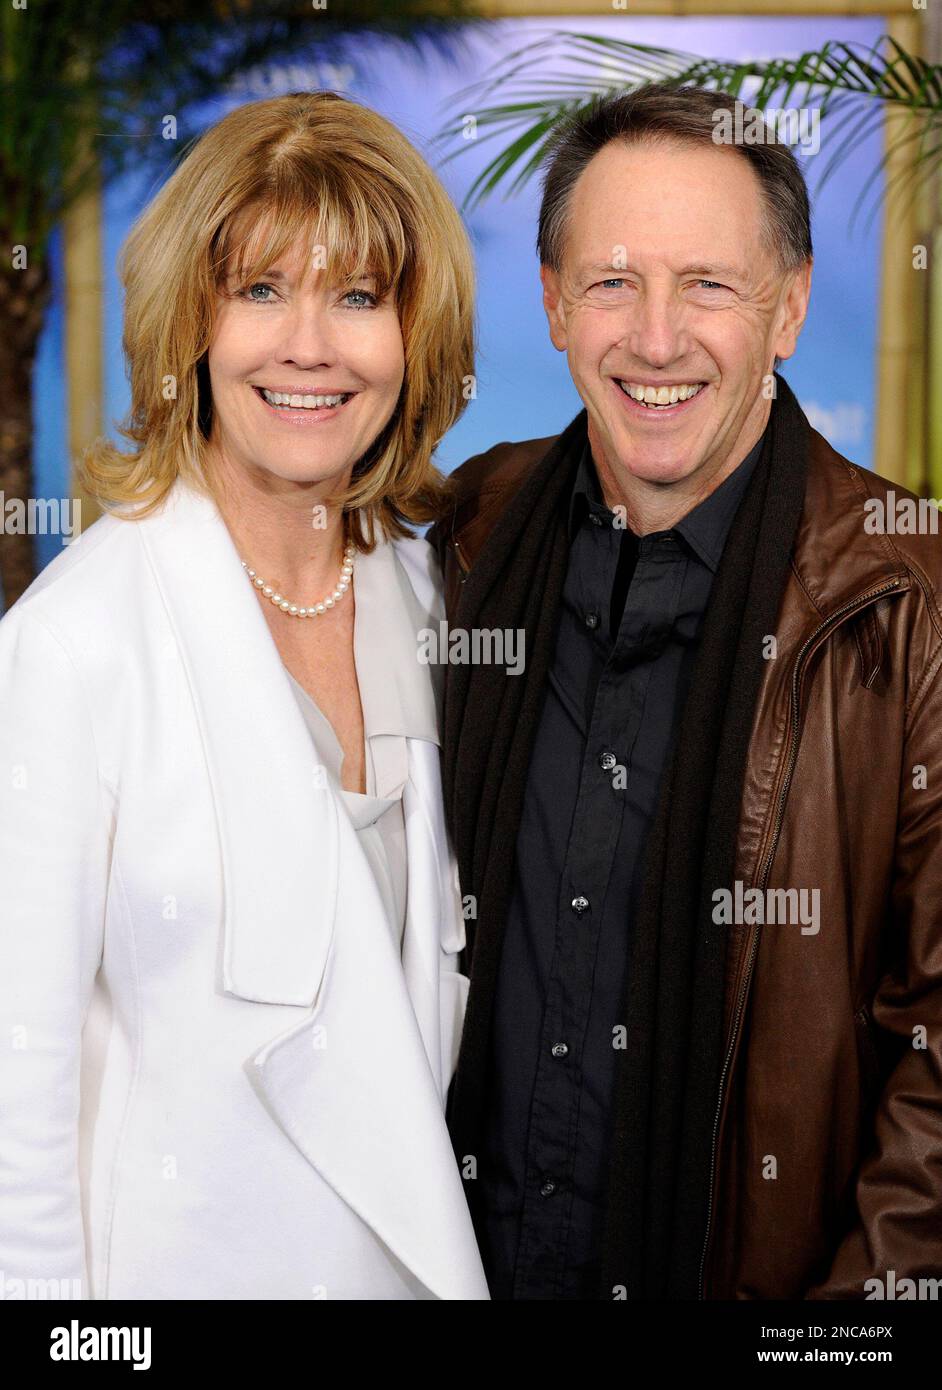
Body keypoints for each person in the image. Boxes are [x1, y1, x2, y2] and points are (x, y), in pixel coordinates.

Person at [429, 84, 942, 1300]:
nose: (656, 339)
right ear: (552, 303)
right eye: (612, 282)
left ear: (791, 304)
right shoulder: (463, 537)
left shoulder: (908, 599)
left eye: (708, 282)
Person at [0, 90, 489, 1301]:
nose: (310, 346)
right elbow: (16, 1101)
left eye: (361, 297)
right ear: (188, 326)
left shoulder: (435, 598)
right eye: (261, 290)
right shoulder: (71, 646)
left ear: (414, 339)